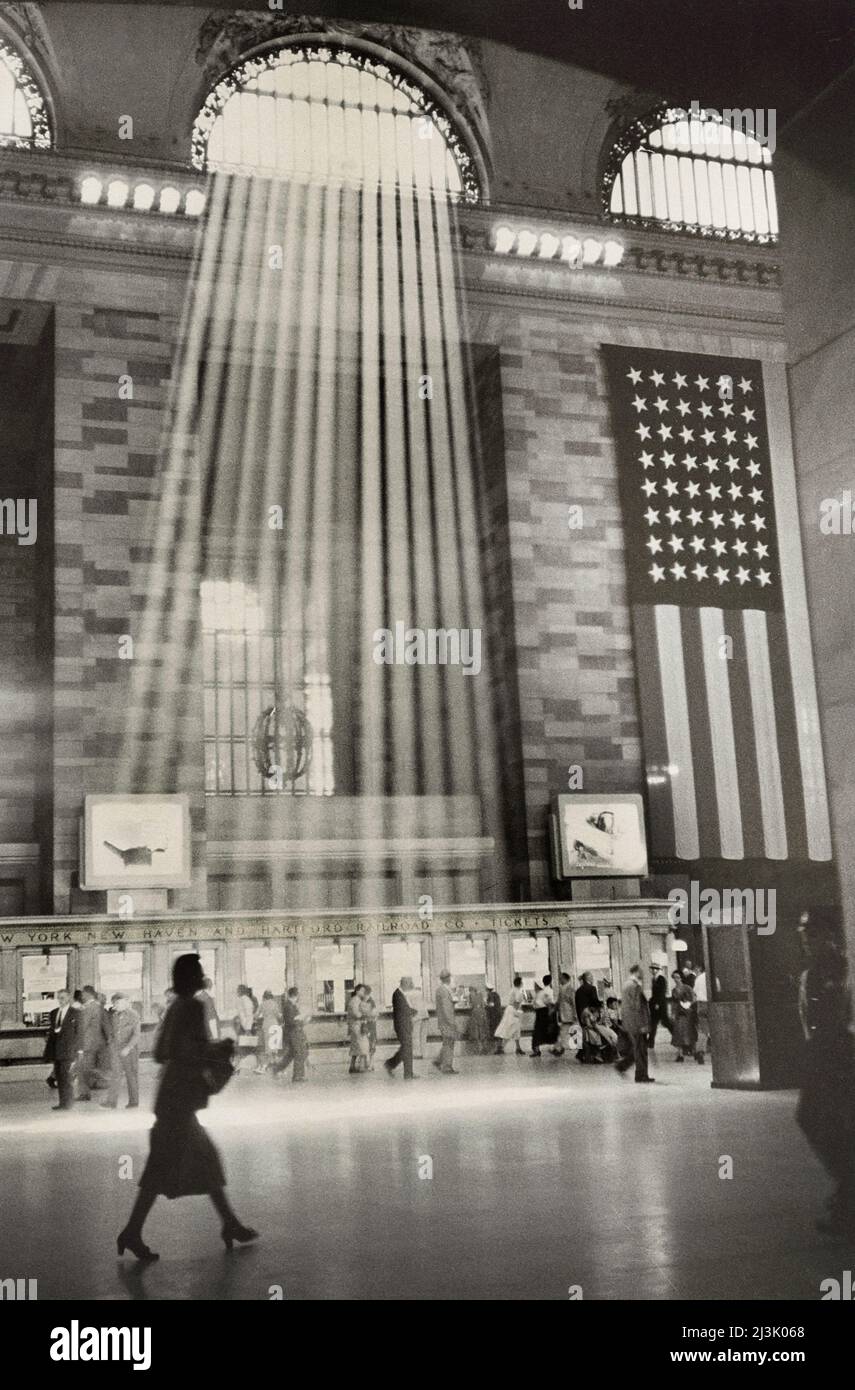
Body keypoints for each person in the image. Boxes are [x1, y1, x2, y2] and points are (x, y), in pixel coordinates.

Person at [117, 953, 257, 1263]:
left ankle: (227, 1224)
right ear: (191, 976)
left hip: (170, 1101)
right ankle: (134, 1231)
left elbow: (161, 1052)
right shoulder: (192, 1006)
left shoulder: (174, 1007)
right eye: (199, 971)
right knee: (184, 1166)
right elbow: (189, 1051)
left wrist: (200, 1051)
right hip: (180, 1103)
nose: (202, 975)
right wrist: (218, 1049)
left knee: (192, 1164)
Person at [796, 927, 855, 1235]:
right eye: (803, 931)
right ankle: (847, 1189)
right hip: (823, 1055)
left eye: (811, 930)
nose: (805, 936)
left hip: (840, 1056)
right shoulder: (811, 974)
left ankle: (847, 1195)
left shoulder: (843, 970)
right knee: (813, 1117)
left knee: (830, 1121)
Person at [77, 984, 119, 1107]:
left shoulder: (88, 1008)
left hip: (87, 1044)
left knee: (83, 1069)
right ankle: (104, 1084)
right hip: (100, 1043)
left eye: (83, 993)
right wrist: (109, 1040)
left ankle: (84, 1093)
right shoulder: (100, 1007)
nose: (82, 996)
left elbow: (82, 1027)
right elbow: (106, 1025)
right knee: (94, 1068)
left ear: (87, 994)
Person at [616, 964, 654, 1082]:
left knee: (637, 1049)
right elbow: (637, 1006)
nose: (642, 974)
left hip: (630, 1022)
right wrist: (643, 1024)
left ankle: (627, 1068)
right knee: (641, 1050)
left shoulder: (626, 985)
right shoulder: (635, 986)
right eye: (640, 971)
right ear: (636, 972)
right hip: (638, 1023)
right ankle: (641, 1075)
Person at [43, 989, 79, 1111]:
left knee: (66, 1077)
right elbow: (53, 1030)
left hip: (68, 1050)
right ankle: (62, 1102)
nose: (61, 1000)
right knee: (59, 1077)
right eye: (59, 998)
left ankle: (68, 1103)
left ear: (69, 998)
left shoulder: (76, 1013)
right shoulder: (53, 1013)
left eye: (63, 998)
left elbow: (79, 1033)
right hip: (56, 1050)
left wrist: (79, 1050)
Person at [111, 993, 141, 1108]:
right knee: (115, 1075)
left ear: (125, 1002)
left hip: (129, 1050)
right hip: (117, 1049)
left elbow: (136, 1034)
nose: (115, 1005)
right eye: (114, 1003)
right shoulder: (114, 1015)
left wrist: (128, 1048)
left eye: (117, 1003)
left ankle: (134, 1102)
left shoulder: (133, 1014)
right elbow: (113, 1033)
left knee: (131, 1076)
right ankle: (112, 1101)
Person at [275, 986, 308, 1082]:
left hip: (293, 1032)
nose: (298, 997)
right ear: (295, 995)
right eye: (298, 995)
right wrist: (300, 1020)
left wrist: (301, 1020)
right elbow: (290, 1021)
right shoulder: (289, 1006)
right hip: (293, 1033)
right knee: (299, 1053)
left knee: (291, 1054)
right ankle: (298, 1076)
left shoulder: (291, 1005)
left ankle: (277, 1069)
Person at [386, 975, 417, 1079]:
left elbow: (404, 1008)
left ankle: (396, 1066)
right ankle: (406, 1072)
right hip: (402, 1026)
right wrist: (413, 1011)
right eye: (410, 983)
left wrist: (411, 1010)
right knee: (407, 1048)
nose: (411, 985)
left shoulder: (400, 994)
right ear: (405, 983)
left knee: (406, 1048)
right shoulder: (397, 994)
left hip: (404, 1025)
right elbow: (402, 1010)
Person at [433, 969, 459, 1074]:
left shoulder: (442, 989)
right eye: (449, 977)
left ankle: (438, 1061)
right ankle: (447, 1067)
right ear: (447, 978)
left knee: (447, 1042)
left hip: (444, 1021)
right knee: (449, 1043)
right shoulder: (444, 990)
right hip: (447, 1021)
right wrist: (451, 1022)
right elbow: (446, 1007)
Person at [670, 970, 698, 1062]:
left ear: (681, 978)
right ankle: (680, 1054)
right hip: (679, 1013)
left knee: (689, 1032)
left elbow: (694, 997)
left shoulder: (687, 988)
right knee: (678, 1033)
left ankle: (694, 1051)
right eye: (674, 977)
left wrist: (688, 1003)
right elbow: (674, 1002)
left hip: (687, 1013)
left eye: (677, 977)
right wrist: (673, 1013)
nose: (676, 979)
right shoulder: (674, 990)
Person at [494, 975, 526, 1055]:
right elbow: (516, 1003)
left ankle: (516, 1048)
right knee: (510, 1029)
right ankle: (500, 1048)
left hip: (509, 1010)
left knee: (508, 1028)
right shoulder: (518, 992)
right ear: (520, 983)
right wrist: (518, 1013)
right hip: (514, 1011)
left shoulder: (512, 990)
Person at [531, 975, 558, 1056]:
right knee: (550, 1030)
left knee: (538, 1031)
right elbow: (550, 1002)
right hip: (546, 1012)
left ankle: (537, 1049)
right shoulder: (548, 991)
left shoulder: (541, 992)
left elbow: (536, 1004)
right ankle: (554, 1048)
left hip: (541, 1012)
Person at [255, 990, 281, 1073]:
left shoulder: (262, 1004)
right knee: (275, 1045)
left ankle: (266, 1066)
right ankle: (276, 1065)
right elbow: (278, 1015)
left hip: (266, 1025)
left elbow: (256, 1015)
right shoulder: (275, 1003)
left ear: (264, 996)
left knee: (268, 1045)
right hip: (275, 1024)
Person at [347, 984, 369, 1074]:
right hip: (357, 1026)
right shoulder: (355, 1001)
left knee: (355, 1047)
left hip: (355, 1026)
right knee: (363, 1045)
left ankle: (352, 1066)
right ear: (357, 991)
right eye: (362, 991)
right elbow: (356, 1013)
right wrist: (365, 1014)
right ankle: (361, 1067)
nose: (364, 993)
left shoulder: (355, 1000)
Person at [649, 965, 671, 1050]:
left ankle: (676, 1037)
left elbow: (662, 992)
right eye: (652, 969)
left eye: (655, 969)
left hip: (660, 1005)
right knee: (653, 1024)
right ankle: (650, 1042)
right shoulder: (654, 979)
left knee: (666, 1022)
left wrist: (658, 1003)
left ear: (658, 970)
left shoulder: (661, 979)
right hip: (655, 1005)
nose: (654, 970)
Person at [408, 982, 430, 1059]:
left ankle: (417, 1053)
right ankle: (424, 1053)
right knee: (423, 1036)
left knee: (416, 1036)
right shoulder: (420, 993)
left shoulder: (408, 994)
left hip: (416, 1016)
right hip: (425, 1015)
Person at [467, 984, 491, 1055]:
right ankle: (485, 1048)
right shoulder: (480, 994)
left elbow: (470, 1005)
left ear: (471, 990)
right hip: (482, 1012)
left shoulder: (470, 995)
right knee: (483, 1030)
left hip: (475, 1013)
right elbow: (484, 1004)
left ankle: (480, 1049)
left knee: (477, 1031)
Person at [556, 972, 575, 1056]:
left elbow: (573, 1002)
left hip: (569, 1013)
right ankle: (560, 1047)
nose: (559, 980)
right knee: (563, 1031)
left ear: (565, 979)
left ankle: (560, 1048)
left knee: (565, 1031)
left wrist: (574, 1014)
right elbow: (559, 1001)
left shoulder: (570, 988)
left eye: (561, 978)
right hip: (564, 1013)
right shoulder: (562, 988)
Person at [693, 966, 708, 1063]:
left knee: (702, 1030)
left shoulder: (698, 978)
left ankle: (699, 1051)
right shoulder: (714, 978)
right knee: (711, 1030)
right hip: (710, 1004)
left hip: (700, 1005)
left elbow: (694, 992)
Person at [363, 984, 378, 1070]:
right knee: (365, 1045)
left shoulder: (371, 1002)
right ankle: (367, 1063)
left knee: (371, 1045)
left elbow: (374, 1015)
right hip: (366, 1025)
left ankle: (371, 1064)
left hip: (371, 1026)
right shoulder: (364, 1001)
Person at [485, 983, 504, 1052]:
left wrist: (485, 1004)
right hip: (498, 1014)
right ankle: (499, 1046)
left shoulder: (490, 995)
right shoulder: (496, 994)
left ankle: (497, 1048)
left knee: (494, 1029)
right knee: (498, 1029)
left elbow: (492, 1004)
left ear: (487, 989)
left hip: (494, 1015)